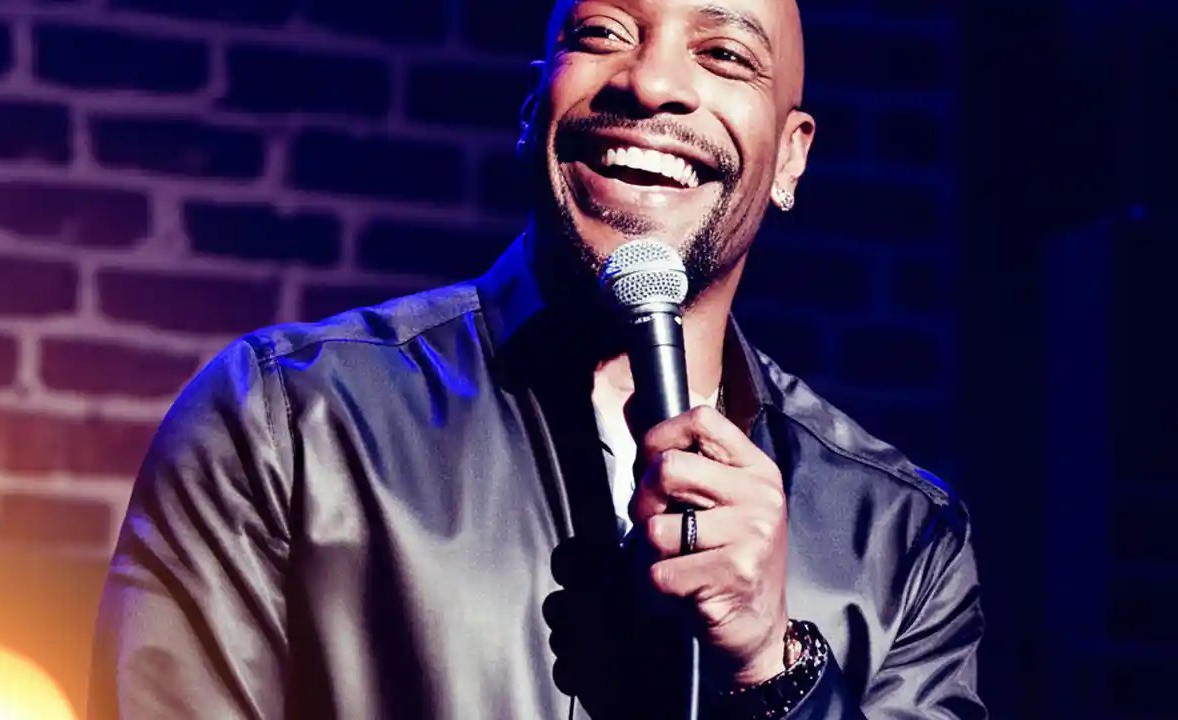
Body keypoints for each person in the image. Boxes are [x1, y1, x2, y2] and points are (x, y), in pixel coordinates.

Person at [89, 0, 985, 717]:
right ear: (533, 105)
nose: (654, 80)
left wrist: (774, 670)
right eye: (604, 34)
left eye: (724, 54)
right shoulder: (292, 424)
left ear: (791, 158)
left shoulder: (902, 543)